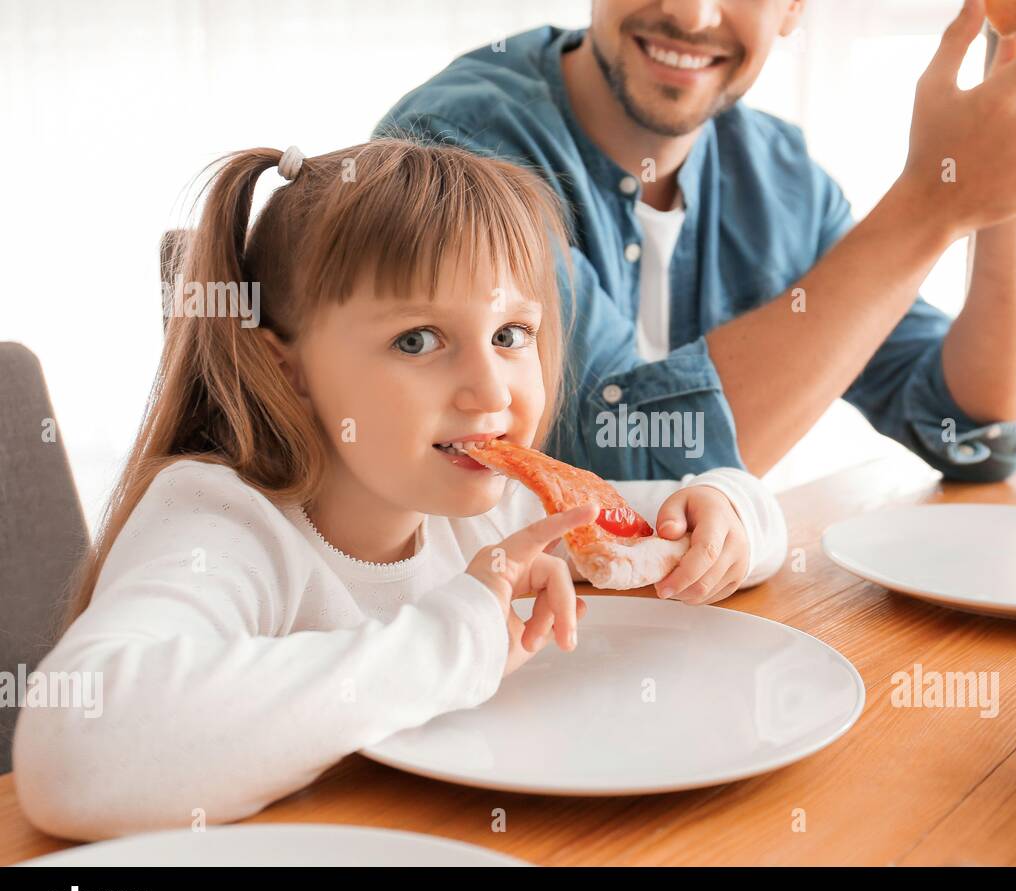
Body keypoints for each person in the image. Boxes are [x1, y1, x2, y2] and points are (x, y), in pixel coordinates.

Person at [13, 139, 786, 841]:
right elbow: (72, 754)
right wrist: (464, 635)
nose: (491, 390)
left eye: (510, 335)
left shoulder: (500, 507)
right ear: (289, 370)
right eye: (418, 340)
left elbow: (700, 521)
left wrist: (726, 517)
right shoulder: (221, 522)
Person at [375, 0, 1016, 481]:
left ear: (795, 8)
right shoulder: (452, 152)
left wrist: (1006, 199)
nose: (691, 15)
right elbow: (625, 461)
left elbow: (969, 434)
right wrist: (931, 203)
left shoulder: (779, 176)